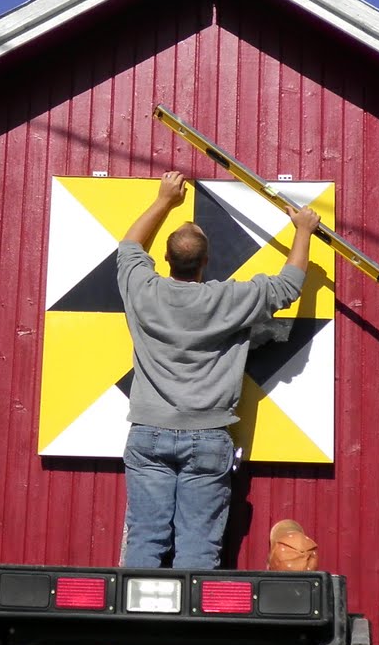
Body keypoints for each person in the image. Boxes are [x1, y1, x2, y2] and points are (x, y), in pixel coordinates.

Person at [116, 170, 320, 570]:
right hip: (208, 437)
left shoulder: (142, 288)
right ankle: (193, 633)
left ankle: (135, 630)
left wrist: (163, 200)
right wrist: (303, 230)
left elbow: (128, 246)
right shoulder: (229, 299)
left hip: (147, 432)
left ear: (166, 260)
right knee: (197, 552)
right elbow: (288, 285)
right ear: (206, 262)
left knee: (145, 541)